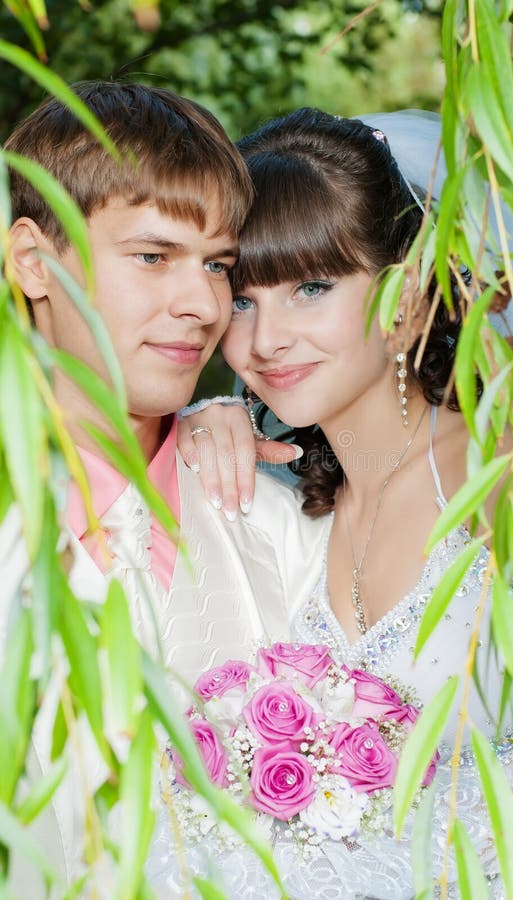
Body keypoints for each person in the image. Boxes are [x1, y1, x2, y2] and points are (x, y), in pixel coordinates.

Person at [174, 108, 513, 898]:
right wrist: (192, 424)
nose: (266, 340)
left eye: (311, 287)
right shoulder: (294, 507)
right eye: (243, 299)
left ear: (405, 301)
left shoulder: (504, 477)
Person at [1, 83, 326, 895]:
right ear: (32, 262)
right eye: (153, 257)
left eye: (218, 265)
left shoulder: (275, 521)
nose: (204, 305)